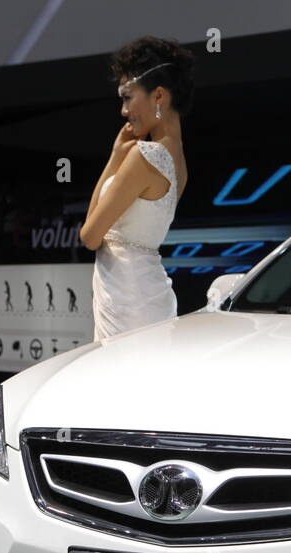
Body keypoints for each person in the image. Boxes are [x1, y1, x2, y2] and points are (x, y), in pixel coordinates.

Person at [80, 35, 194, 342]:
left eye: (128, 97)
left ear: (158, 96)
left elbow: (89, 236)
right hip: (149, 296)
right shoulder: (178, 161)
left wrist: (115, 158)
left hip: (127, 300)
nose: (123, 110)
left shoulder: (145, 156)